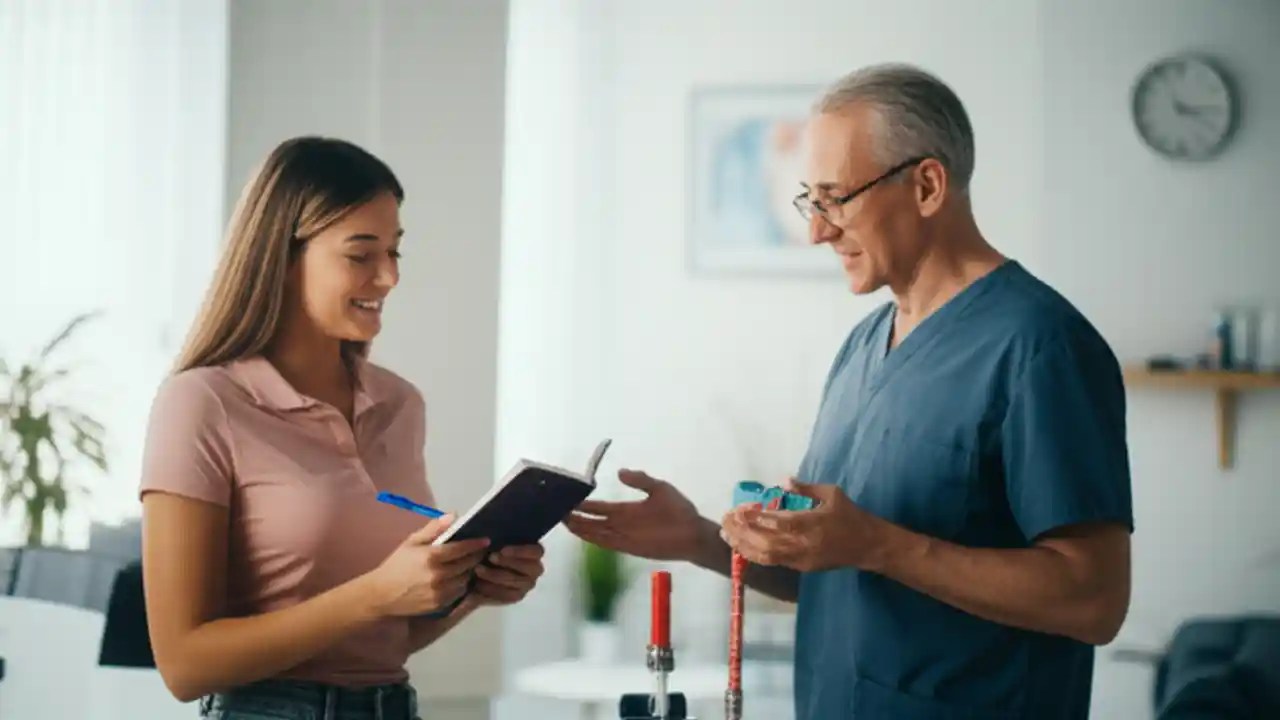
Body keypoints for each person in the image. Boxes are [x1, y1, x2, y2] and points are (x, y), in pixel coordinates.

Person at [566, 63, 1133, 720]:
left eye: (836, 198)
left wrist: (880, 543)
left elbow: (1095, 600)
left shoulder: (1040, 347)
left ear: (926, 185)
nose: (818, 230)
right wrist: (698, 537)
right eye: (811, 200)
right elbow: (832, 571)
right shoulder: (863, 346)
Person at [139, 137, 545, 720]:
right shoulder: (202, 403)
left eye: (395, 252)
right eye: (361, 255)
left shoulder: (399, 404)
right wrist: (374, 594)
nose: (389, 277)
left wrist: (470, 593)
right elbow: (184, 665)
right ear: (282, 257)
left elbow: (380, 641)